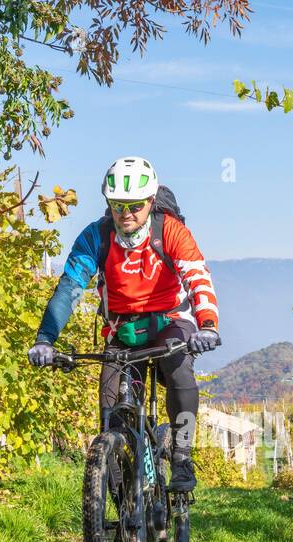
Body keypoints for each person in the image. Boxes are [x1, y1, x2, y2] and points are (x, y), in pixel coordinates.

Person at [28, 156, 220, 492]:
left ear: (150, 202)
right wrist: (45, 339)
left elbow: (197, 278)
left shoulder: (171, 231)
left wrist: (207, 325)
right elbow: (69, 290)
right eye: (118, 206)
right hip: (122, 330)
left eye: (134, 205)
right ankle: (116, 495)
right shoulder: (96, 237)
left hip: (170, 322)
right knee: (110, 411)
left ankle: (182, 456)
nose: (126, 213)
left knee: (179, 373)